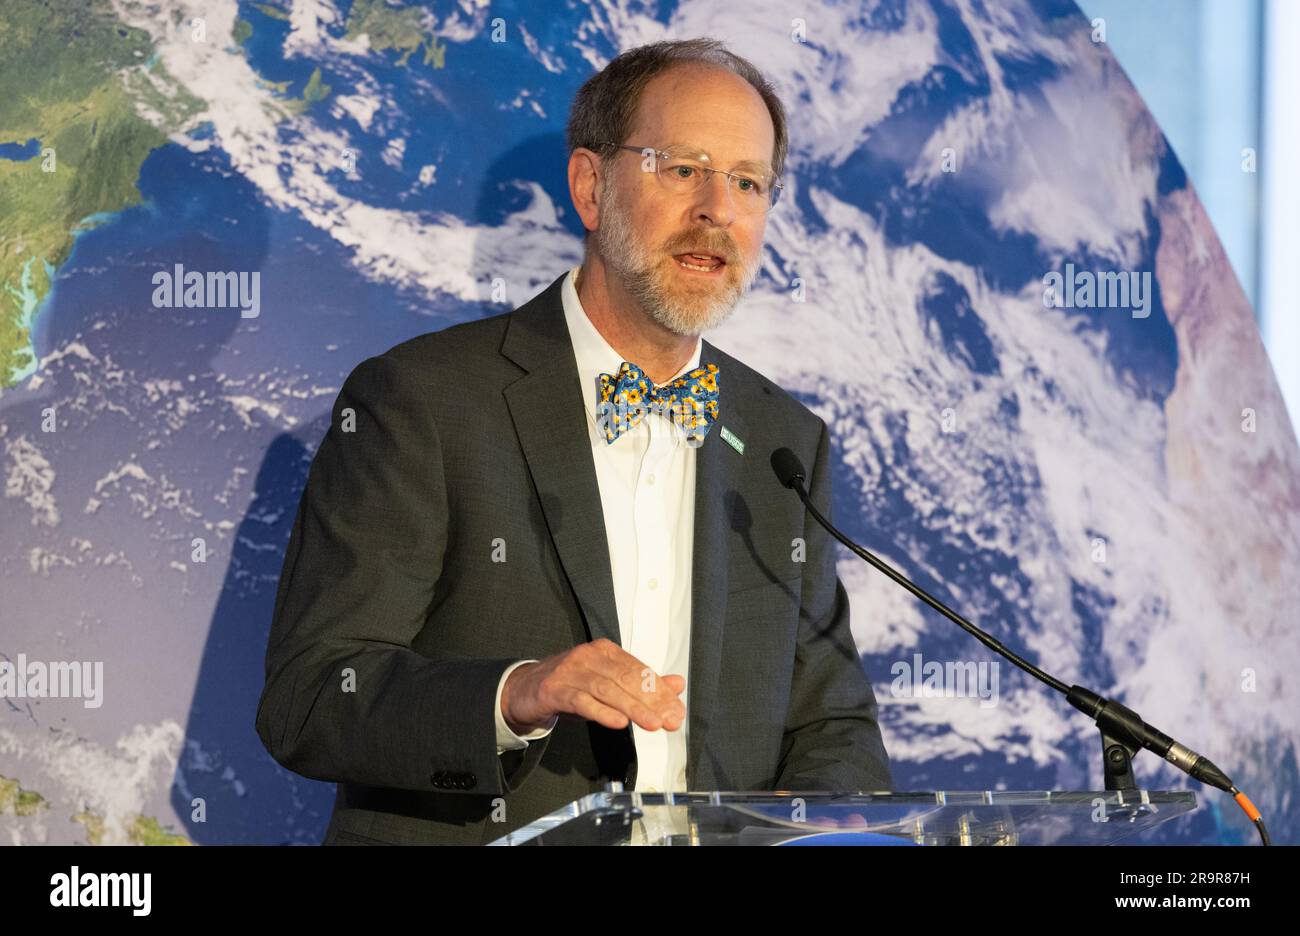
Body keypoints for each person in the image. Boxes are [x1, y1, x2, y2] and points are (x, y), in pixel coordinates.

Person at [256, 37, 892, 846]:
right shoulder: (423, 401)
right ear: (592, 188)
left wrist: (823, 827)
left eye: (746, 182)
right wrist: (517, 692)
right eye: (682, 167)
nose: (717, 211)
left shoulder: (782, 441)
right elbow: (309, 697)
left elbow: (833, 724)